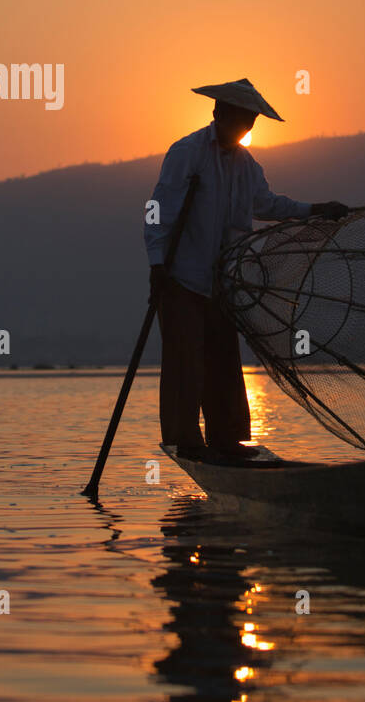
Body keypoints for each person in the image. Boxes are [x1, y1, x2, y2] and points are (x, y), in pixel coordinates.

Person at [145, 79, 347, 460]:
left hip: (223, 280)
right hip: (181, 277)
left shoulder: (246, 164)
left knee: (223, 359)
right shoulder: (187, 153)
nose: (244, 127)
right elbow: (158, 213)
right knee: (185, 360)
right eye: (239, 118)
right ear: (218, 113)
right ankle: (186, 440)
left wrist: (316, 209)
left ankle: (228, 439)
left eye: (250, 121)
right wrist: (157, 266)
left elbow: (267, 204)